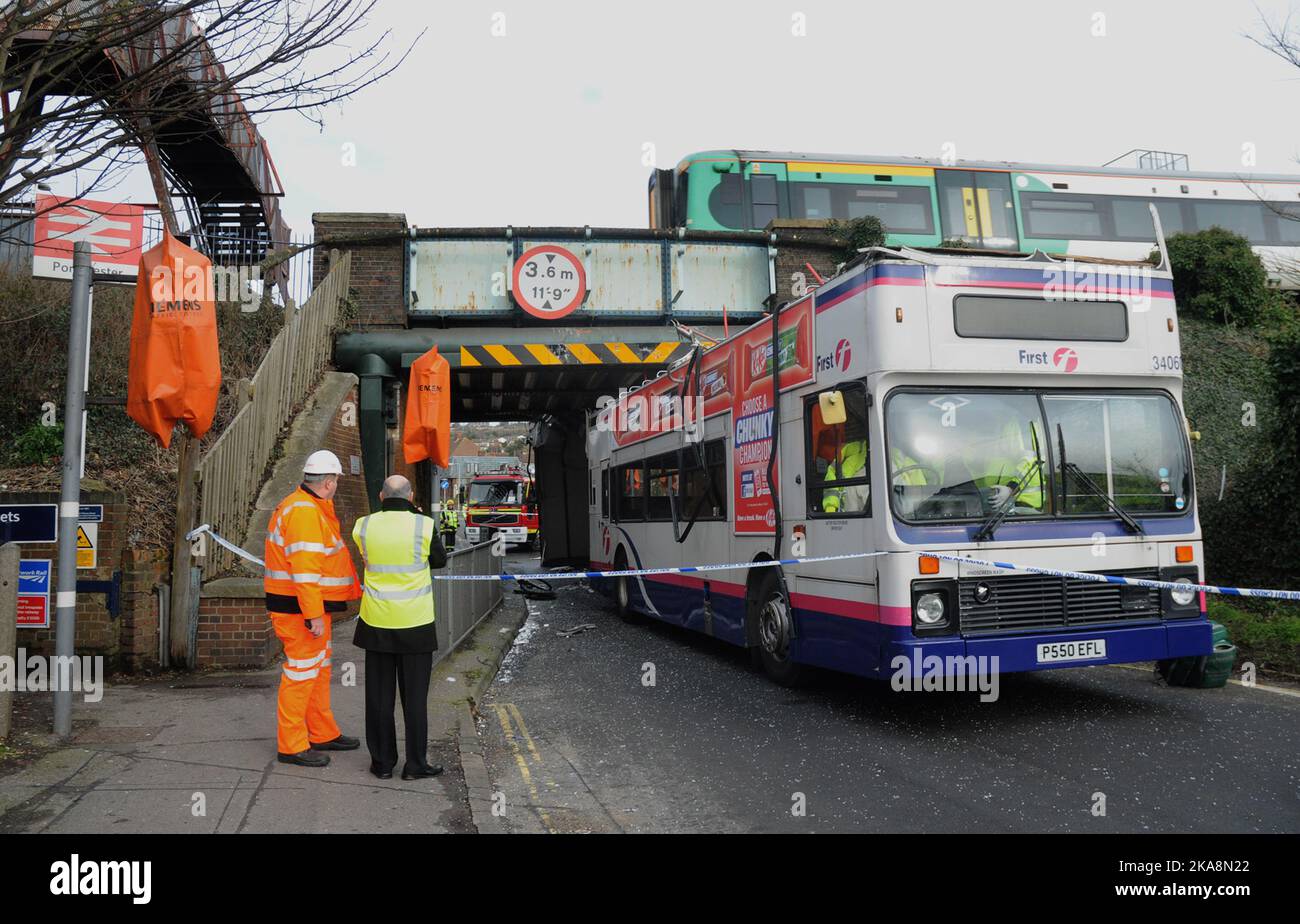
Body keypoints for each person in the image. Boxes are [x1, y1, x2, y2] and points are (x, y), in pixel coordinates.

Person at [263, 449, 362, 767]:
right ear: (330, 482)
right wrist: (313, 614)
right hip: (301, 610)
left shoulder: (307, 506)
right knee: (302, 672)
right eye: (336, 480)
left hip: (307, 607)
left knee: (317, 671)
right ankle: (291, 745)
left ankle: (321, 733)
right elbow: (305, 571)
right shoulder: (305, 512)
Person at [352, 474, 447, 781]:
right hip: (415, 623)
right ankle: (415, 764)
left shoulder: (363, 526)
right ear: (410, 497)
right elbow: (439, 561)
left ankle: (382, 764)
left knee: (379, 699)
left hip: (376, 621)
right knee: (415, 700)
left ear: (381, 496)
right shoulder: (423, 525)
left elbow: (366, 558)